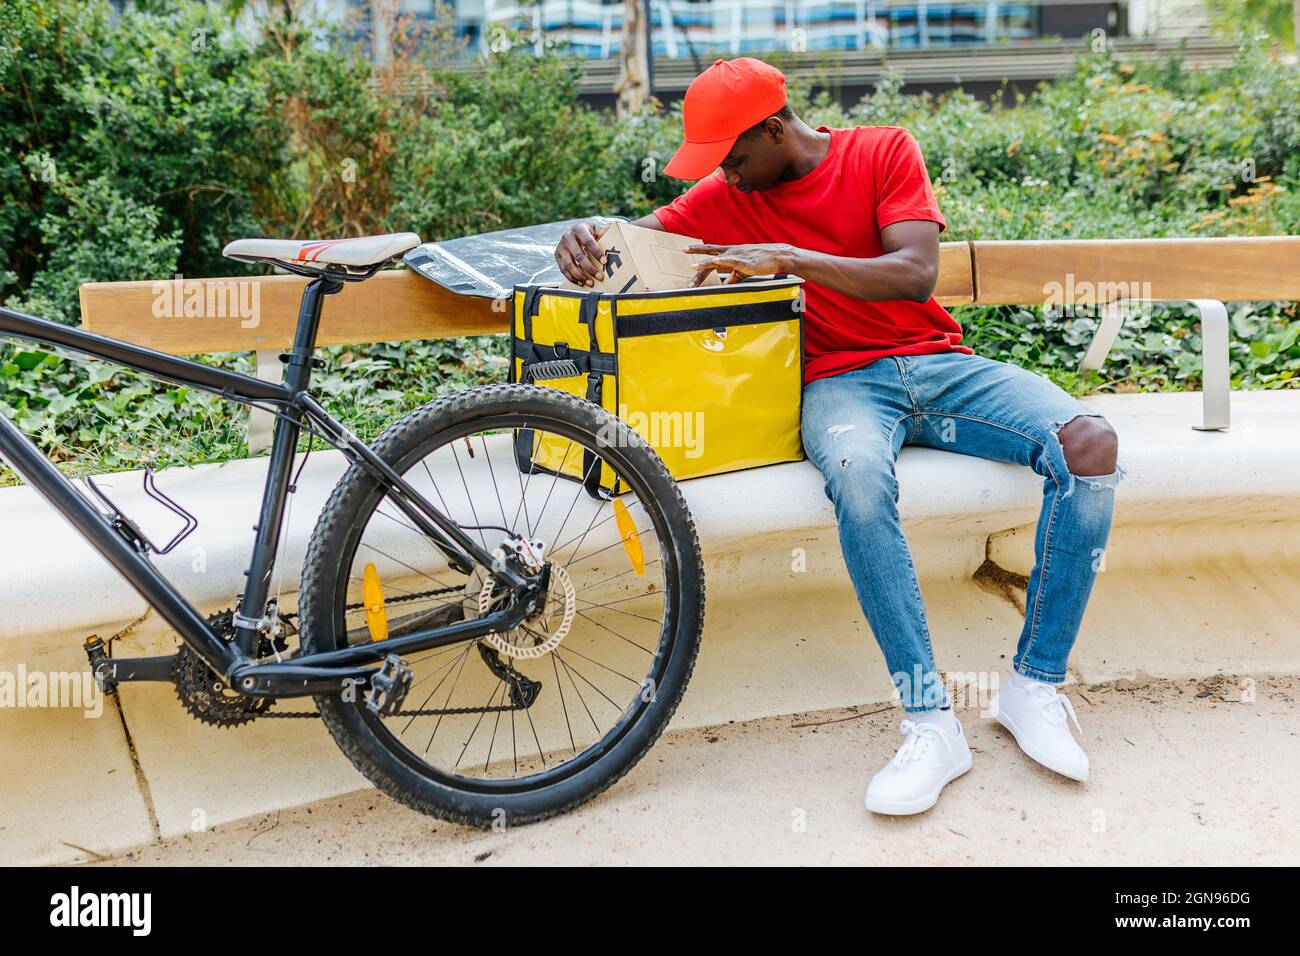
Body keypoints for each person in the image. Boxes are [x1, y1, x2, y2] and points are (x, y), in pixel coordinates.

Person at [554, 57, 1123, 816]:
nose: (722, 175)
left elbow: (914, 273)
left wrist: (788, 260)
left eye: (733, 154)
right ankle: (930, 724)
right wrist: (583, 240)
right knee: (858, 476)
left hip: (938, 365)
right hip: (840, 385)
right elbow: (634, 240)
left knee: (1089, 444)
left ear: (774, 127)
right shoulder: (728, 194)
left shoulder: (884, 150)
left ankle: (1035, 688)